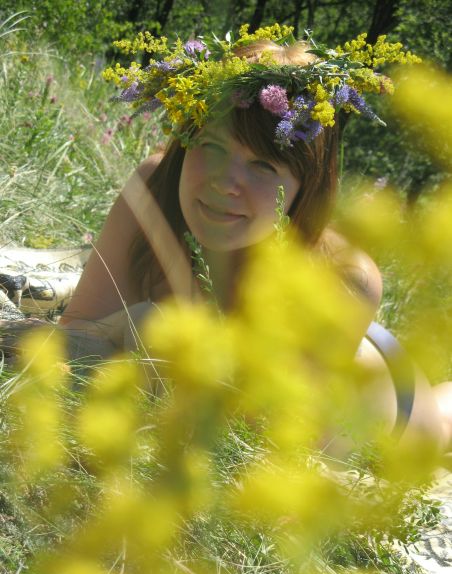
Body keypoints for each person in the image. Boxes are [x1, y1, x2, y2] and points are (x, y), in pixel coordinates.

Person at [54, 24, 451, 451]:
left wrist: (149, 334)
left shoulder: (347, 277)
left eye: (263, 166)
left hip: (386, 398)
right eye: (212, 146)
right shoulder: (153, 189)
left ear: (306, 188)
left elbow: (256, 441)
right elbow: (74, 335)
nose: (225, 183)